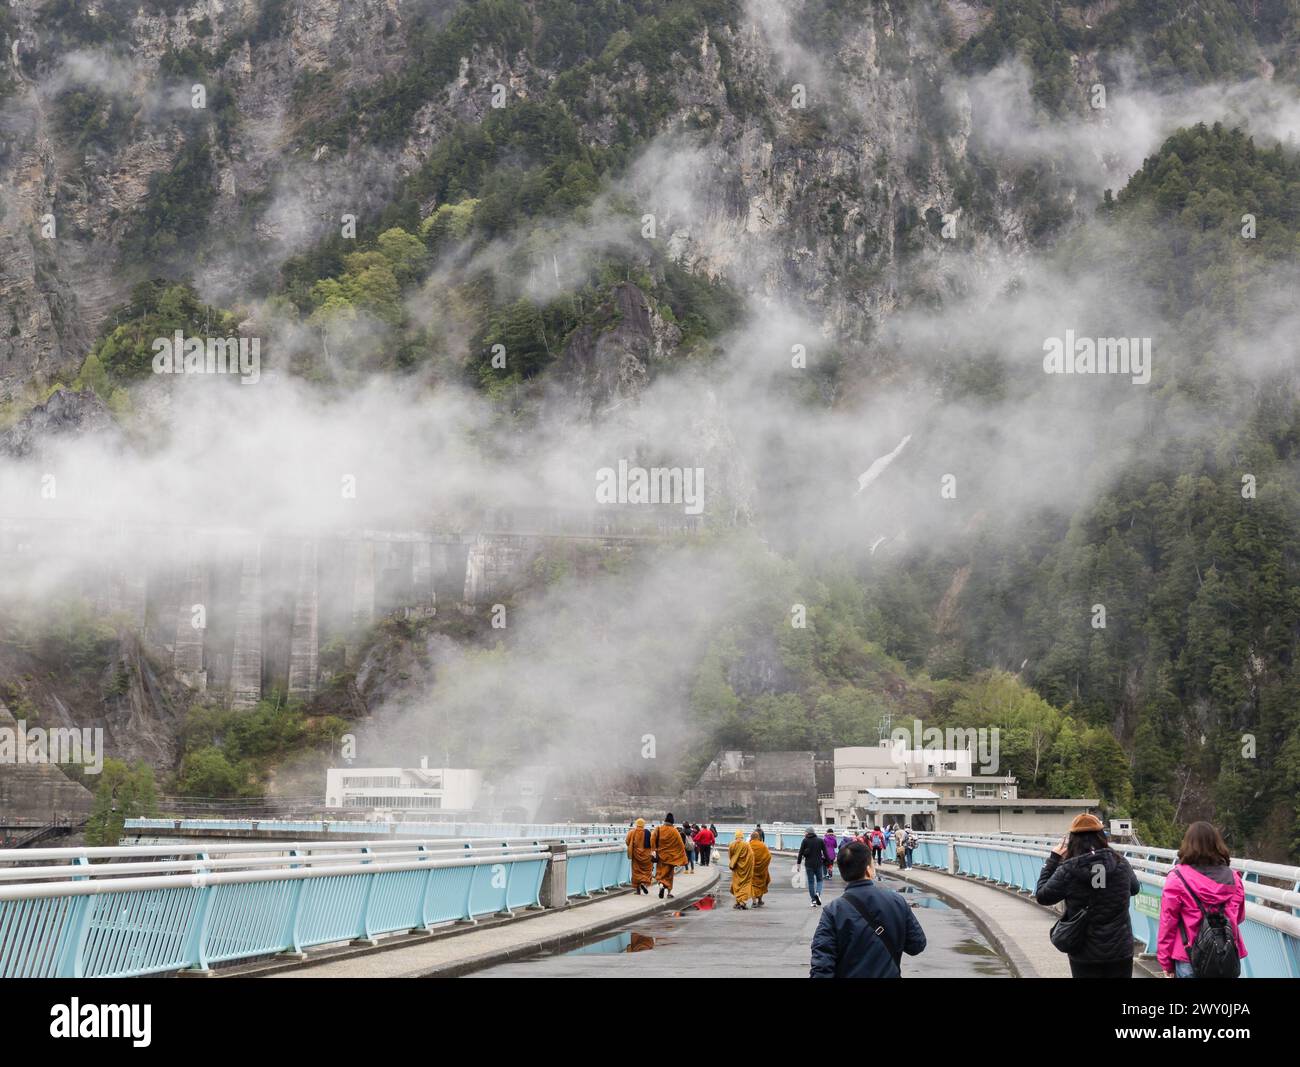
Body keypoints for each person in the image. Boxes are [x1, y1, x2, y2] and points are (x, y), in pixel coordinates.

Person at [1035, 812, 1140, 978]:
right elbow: (1134, 889)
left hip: (1084, 951)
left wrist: (1053, 860)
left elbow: (1042, 896)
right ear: (1101, 836)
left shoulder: (1067, 870)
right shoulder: (1120, 863)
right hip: (1119, 949)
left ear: (1072, 840)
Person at [810, 840, 927, 978]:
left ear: (842, 873)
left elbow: (821, 966)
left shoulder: (833, 911)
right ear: (868, 869)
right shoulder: (897, 901)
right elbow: (917, 945)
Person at [1157, 821, 1247, 978]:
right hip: (1224, 957)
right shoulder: (1234, 878)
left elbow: (1168, 923)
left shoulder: (1177, 878)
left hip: (1189, 957)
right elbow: (1238, 918)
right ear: (1217, 844)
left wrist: (1165, 961)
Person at [651, 813, 687, 899]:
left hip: (661, 856)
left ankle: (661, 884)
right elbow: (681, 844)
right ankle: (669, 892)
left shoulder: (658, 829)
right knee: (670, 875)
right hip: (671, 857)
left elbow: (652, 839)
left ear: (665, 820)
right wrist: (681, 856)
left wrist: (653, 850)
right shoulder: (675, 831)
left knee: (660, 872)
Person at [798, 827, 827, 906]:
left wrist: (798, 864)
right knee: (819, 880)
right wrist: (827, 862)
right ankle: (817, 893)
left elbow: (800, 853)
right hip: (818, 864)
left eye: (805, 832)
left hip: (809, 864)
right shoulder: (820, 840)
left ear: (808, 833)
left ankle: (813, 900)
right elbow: (825, 852)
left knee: (811, 882)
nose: (804, 834)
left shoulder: (805, 841)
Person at [625, 817, 653, 895]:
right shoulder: (647, 832)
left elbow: (627, 841)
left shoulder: (632, 832)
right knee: (646, 871)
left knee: (636, 872)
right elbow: (652, 843)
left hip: (636, 855)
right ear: (643, 825)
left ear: (636, 824)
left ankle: (638, 891)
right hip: (646, 855)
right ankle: (644, 884)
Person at [729, 830, 754, 910]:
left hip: (736, 869)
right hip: (746, 869)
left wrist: (735, 863)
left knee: (737, 884)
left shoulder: (732, 845)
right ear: (742, 836)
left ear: (735, 836)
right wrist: (748, 865)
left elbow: (731, 857)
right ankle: (742, 902)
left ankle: (738, 902)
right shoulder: (746, 845)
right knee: (745, 884)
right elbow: (751, 856)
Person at [748, 831, 772, 907]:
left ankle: (754, 901)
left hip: (752, 869)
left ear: (751, 837)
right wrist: (764, 865)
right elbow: (768, 856)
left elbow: (745, 857)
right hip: (762, 870)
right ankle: (760, 900)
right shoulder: (762, 845)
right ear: (758, 837)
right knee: (762, 884)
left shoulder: (749, 845)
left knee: (752, 885)